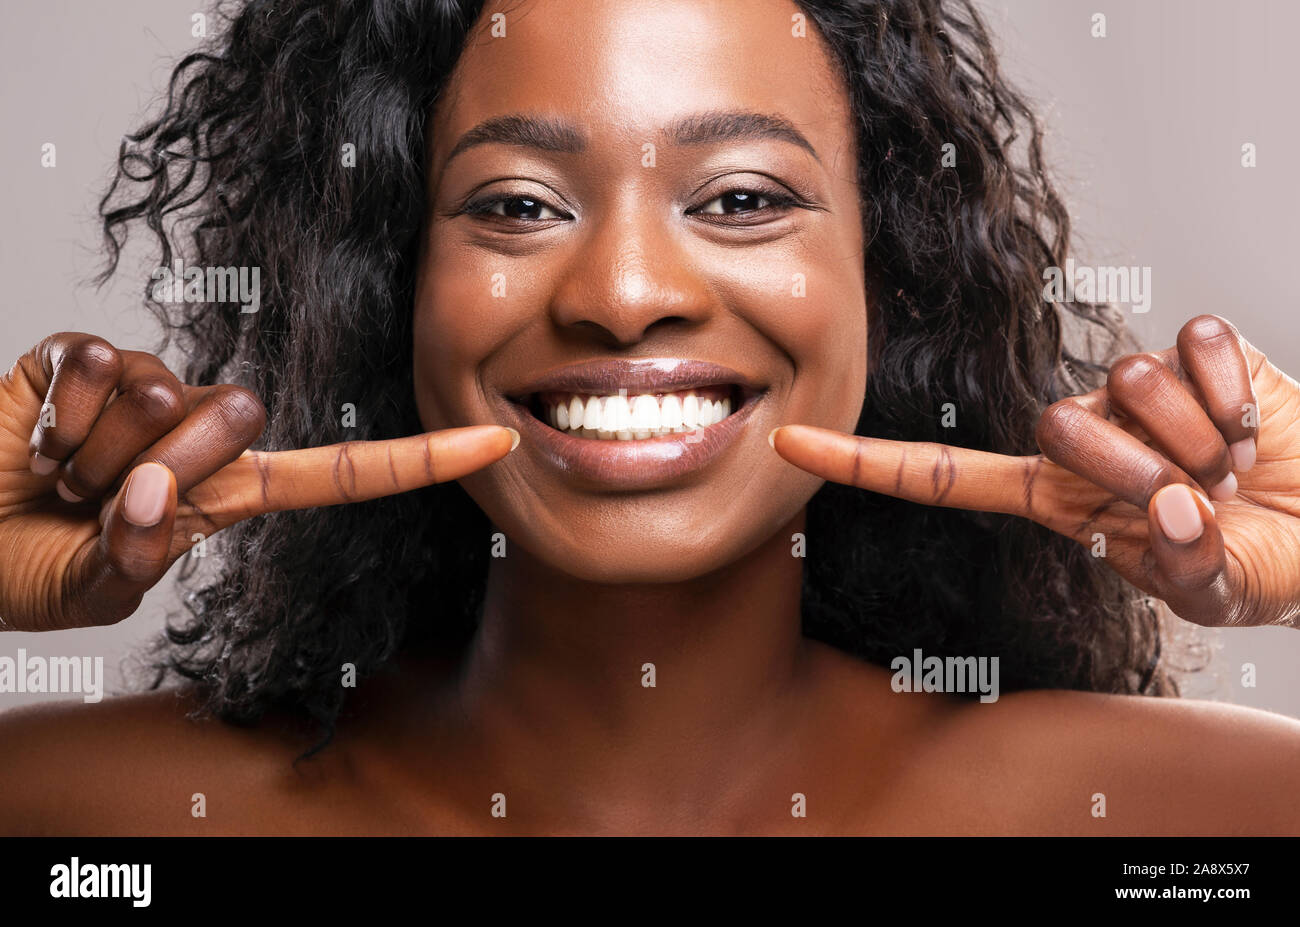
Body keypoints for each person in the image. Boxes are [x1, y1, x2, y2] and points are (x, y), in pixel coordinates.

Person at [1, 0, 1297, 835]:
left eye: (739, 198)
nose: (623, 297)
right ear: (395, 292)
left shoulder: (1196, 822)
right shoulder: (89, 822)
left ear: (883, 275)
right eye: (516, 204)